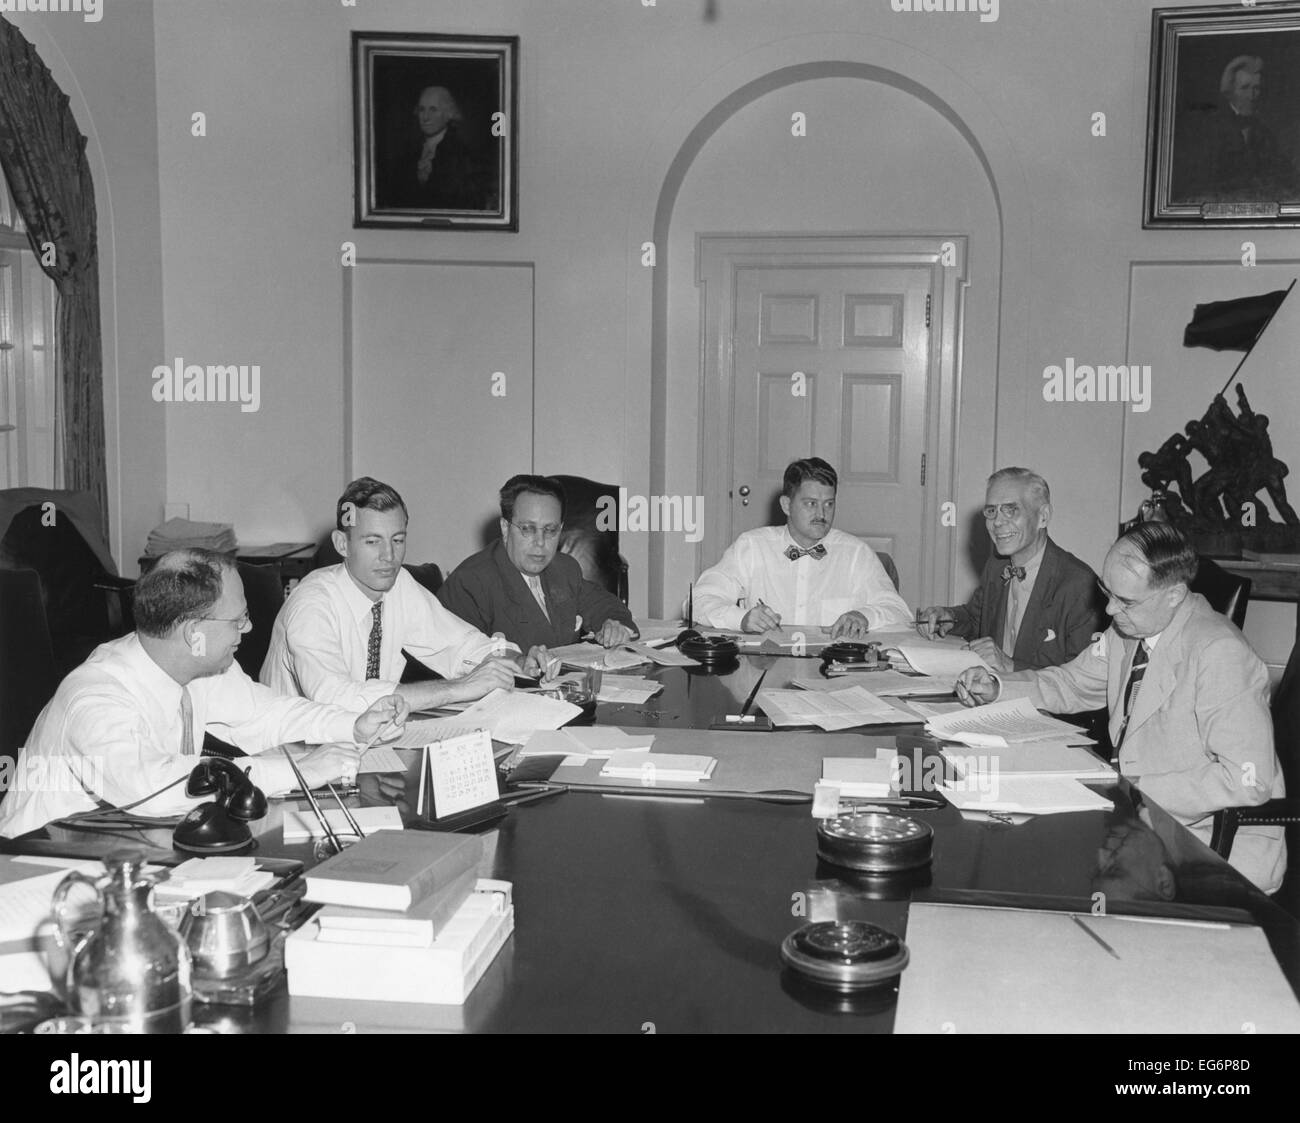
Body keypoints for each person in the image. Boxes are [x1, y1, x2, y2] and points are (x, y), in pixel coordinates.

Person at [953, 523, 1285, 894]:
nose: (1110, 609)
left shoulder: (1220, 653)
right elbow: (1072, 683)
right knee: (1010, 846)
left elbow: (1248, 779)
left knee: (1049, 880)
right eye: (1106, 592)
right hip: (1139, 827)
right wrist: (998, 687)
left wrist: (1137, 793)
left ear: (1174, 595)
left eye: (1125, 601)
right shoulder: (1131, 630)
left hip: (1207, 845)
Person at [0, 549, 407, 839]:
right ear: (194, 634)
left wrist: (352, 724)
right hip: (43, 858)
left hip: (129, 839)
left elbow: (265, 714)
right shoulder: (96, 698)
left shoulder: (200, 665)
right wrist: (298, 771)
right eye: (239, 619)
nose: (247, 630)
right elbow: (150, 789)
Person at [261, 477, 532, 710]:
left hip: (367, 740)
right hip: (295, 750)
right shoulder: (311, 603)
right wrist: (458, 688)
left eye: (397, 540)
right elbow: (336, 698)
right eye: (372, 541)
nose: (389, 556)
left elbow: (459, 645)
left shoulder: (397, 584)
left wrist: (516, 660)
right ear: (342, 544)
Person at [691, 457, 911, 637]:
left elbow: (899, 610)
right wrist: (741, 618)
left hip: (832, 674)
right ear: (787, 505)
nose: (821, 514)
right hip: (767, 672)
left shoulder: (855, 553)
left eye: (829, 504)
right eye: (810, 504)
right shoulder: (752, 546)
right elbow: (698, 601)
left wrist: (865, 616)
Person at [916, 468, 1104, 671]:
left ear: (1043, 516)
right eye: (991, 511)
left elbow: (1085, 681)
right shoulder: (996, 566)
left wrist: (1011, 666)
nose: (997, 522)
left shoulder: (1080, 585)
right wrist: (948, 617)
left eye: (1011, 510)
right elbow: (976, 620)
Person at [437, 475, 638, 660]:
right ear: (506, 528)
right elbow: (460, 660)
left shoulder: (564, 568)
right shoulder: (470, 583)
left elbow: (604, 605)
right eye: (527, 529)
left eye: (550, 530)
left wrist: (614, 625)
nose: (540, 542)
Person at [1173, 55, 1300, 203]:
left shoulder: (1264, 132)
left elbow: (1284, 173)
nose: (1252, 96)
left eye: (1256, 88)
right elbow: (1201, 183)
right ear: (1230, 91)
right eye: (1245, 88)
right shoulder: (1211, 128)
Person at [398, 85, 491, 210]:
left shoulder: (463, 155)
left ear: (448, 114)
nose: (425, 117)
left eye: (433, 110)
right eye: (421, 109)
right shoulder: (408, 155)